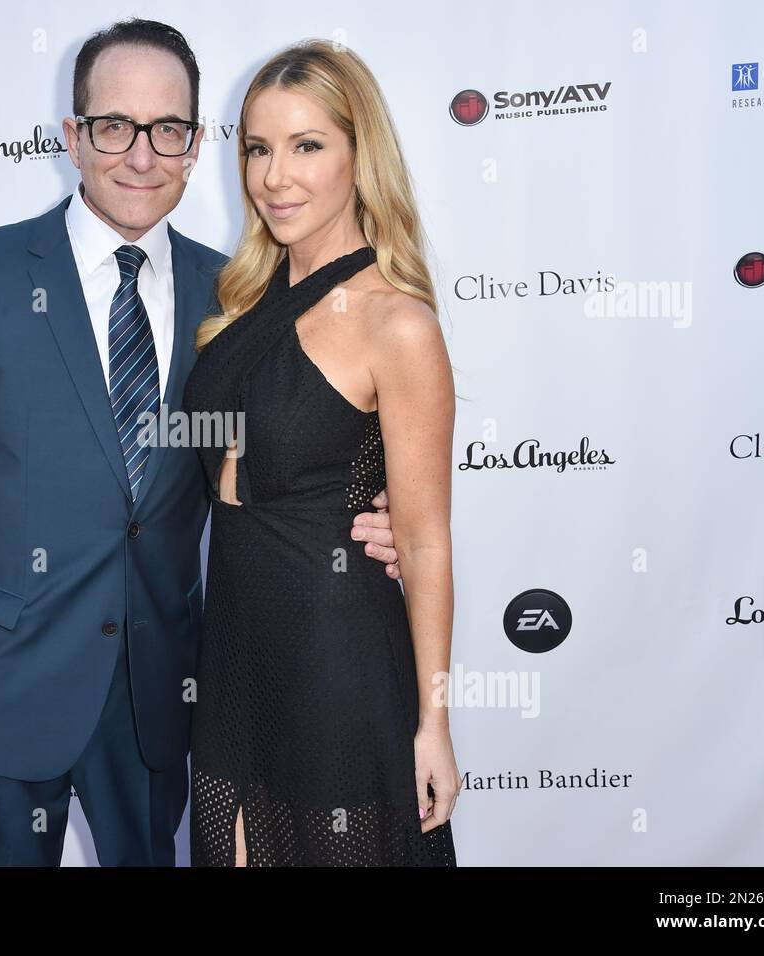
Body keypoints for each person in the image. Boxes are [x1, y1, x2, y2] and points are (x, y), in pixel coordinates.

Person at [0, 19, 404, 867]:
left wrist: (371, 511)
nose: (140, 155)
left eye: (167, 130)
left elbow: (281, 448)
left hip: (163, 694)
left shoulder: (239, 292)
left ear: (197, 144)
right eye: (113, 126)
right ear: (73, 136)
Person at [182, 39, 461, 866]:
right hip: (231, 651)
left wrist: (434, 722)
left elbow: (423, 539)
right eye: (259, 149)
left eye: (308, 146)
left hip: (337, 658)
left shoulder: (396, 323)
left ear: (357, 154)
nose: (276, 177)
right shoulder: (236, 306)